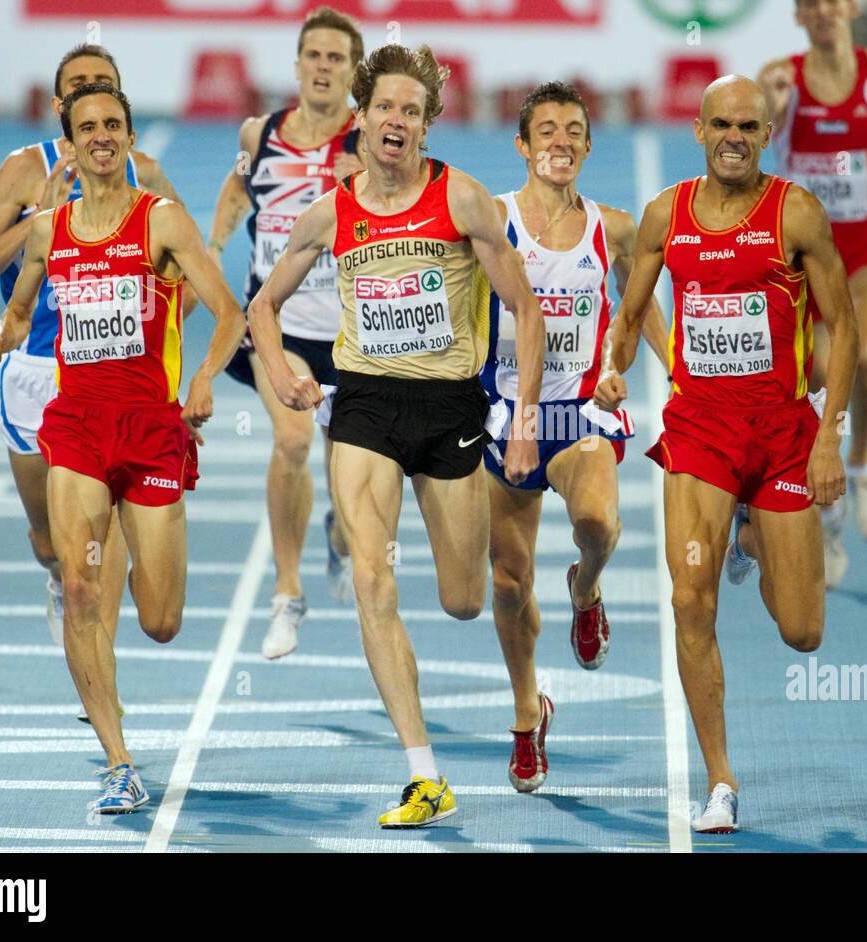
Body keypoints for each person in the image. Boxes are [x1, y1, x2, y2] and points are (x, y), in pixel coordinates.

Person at [247, 44, 546, 828]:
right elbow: (261, 306)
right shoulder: (333, 211)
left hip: (449, 408)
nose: (396, 121)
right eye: (385, 107)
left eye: (412, 111)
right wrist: (279, 374)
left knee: (462, 600)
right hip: (367, 407)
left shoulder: (464, 200)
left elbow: (527, 308)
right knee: (376, 586)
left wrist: (522, 422)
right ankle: (424, 774)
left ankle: (530, 700)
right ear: (364, 113)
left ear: (426, 123)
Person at [0, 84, 247, 813]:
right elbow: (23, 304)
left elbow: (228, 312)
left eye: (114, 126)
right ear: (68, 141)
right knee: (83, 587)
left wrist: (205, 381)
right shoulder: (47, 230)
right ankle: (118, 759)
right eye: (88, 127)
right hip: (77, 428)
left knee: (160, 620)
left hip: (150, 429)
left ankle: (132, 555)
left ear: (129, 138)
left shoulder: (161, 220)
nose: (102, 137)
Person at [594, 75, 859, 833]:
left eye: (749, 125)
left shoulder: (795, 213)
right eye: (721, 124)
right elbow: (635, 303)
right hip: (700, 432)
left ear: (766, 134)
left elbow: (842, 327)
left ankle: (756, 530)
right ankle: (720, 781)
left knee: (803, 631)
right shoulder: (664, 216)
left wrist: (830, 437)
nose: (734, 136)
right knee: (688, 600)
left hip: (781, 436)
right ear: (701, 132)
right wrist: (616, 366)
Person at [0, 45, 189, 690]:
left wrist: (153, 354)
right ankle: (61, 581)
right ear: (61, 109)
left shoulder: (148, 178)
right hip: (32, 372)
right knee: (52, 544)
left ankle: (96, 667)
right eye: (79, 90)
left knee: (106, 537)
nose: (93, 100)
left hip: (115, 387)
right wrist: (41, 220)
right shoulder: (22, 170)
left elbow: (192, 283)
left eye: (105, 88)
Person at [481, 81, 671, 792]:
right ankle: (528, 715)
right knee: (506, 584)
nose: (560, 142)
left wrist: (672, 374)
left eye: (574, 132)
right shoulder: (490, 221)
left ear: (589, 147)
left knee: (598, 521)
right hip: (504, 417)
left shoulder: (612, 227)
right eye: (547, 130)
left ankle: (585, 592)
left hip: (581, 413)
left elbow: (641, 298)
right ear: (523, 145)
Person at [207, 6, 365, 659]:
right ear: (299, 65)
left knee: (353, 492)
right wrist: (212, 244)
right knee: (294, 440)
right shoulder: (259, 134)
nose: (324, 67)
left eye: (337, 58)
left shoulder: (370, 139)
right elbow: (240, 184)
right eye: (315, 56)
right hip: (277, 326)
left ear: (354, 71)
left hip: (356, 334)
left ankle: (338, 538)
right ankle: (287, 593)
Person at [756, 0, 867, 588]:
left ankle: (863, 466)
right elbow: (764, 127)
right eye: (810, 5)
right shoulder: (780, 76)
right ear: (800, 16)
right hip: (810, 256)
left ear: (851, 8)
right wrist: (773, 107)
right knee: (825, 375)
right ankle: (829, 513)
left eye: (833, 2)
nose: (824, 11)